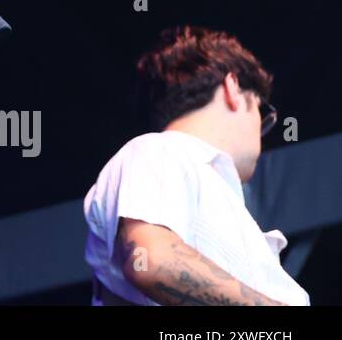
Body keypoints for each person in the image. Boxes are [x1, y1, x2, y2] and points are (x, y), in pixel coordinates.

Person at [83, 25, 309, 305]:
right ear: (233, 87)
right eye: (261, 113)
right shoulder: (160, 150)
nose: (260, 136)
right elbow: (154, 261)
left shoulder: (189, 178)